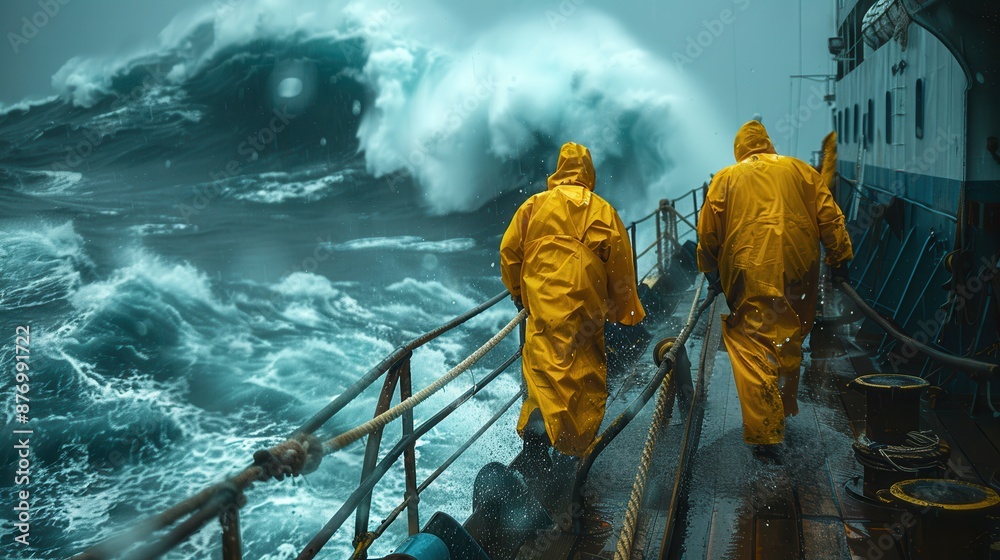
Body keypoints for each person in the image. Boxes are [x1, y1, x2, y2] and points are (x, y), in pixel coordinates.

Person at [697, 120, 852, 449]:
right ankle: (778, 408)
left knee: (752, 342)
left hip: (748, 267)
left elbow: (708, 232)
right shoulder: (801, 171)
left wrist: (710, 268)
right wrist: (840, 260)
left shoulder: (726, 178)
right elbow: (829, 216)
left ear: (739, 149)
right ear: (768, 144)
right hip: (799, 265)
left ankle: (766, 434)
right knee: (786, 333)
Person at [500, 142, 645, 466]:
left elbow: (510, 253)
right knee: (583, 367)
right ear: (588, 172)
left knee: (541, 366)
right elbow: (620, 261)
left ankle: (538, 436)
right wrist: (625, 309)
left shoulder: (534, 205)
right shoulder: (602, 210)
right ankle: (573, 449)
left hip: (543, 297)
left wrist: (518, 294)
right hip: (585, 301)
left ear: (559, 169)